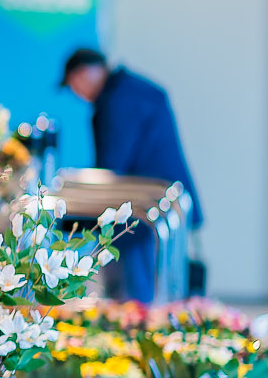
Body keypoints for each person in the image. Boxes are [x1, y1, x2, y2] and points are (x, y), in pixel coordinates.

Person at [59, 48, 202, 302]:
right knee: (153, 292)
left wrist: (76, 215)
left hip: (144, 210)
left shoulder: (120, 100)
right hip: (157, 205)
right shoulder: (131, 91)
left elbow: (113, 167)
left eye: (74, 84)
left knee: (136, 299)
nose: (77, 93)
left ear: (87, 73)